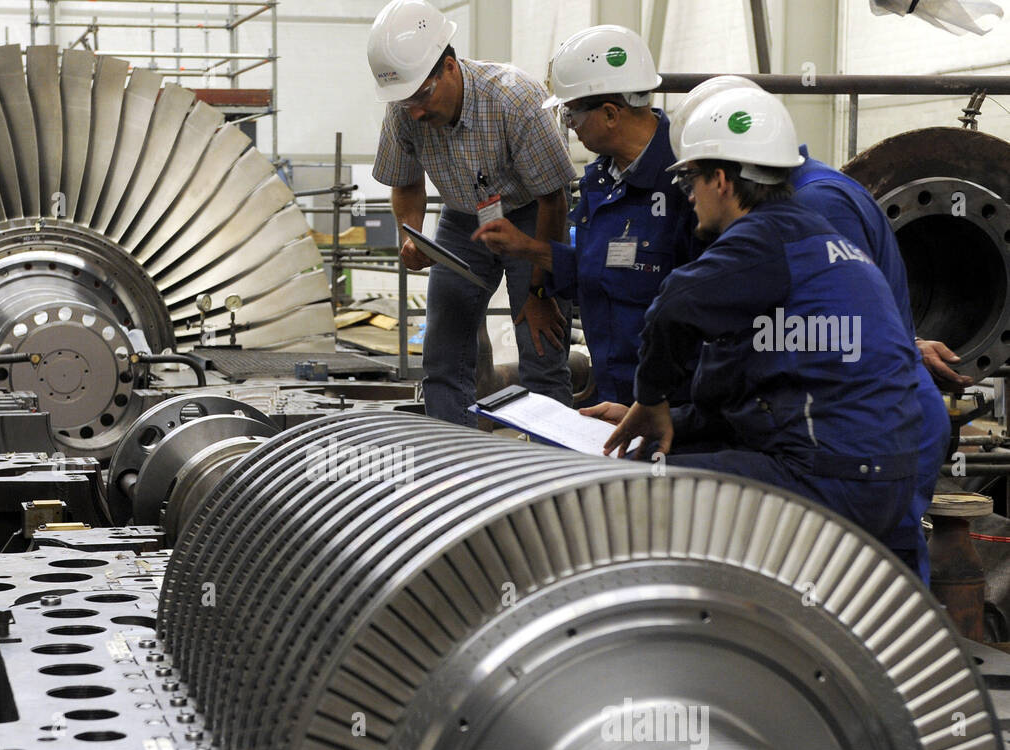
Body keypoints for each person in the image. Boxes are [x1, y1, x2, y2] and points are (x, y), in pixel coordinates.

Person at [604, 86, 927, 561]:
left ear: (720, 180)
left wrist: (650, 399)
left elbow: (673, 304)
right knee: (672, 467)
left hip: (833, 476)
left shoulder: (764, 238)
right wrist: (666, 421)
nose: (688, 196)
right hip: (881, 468)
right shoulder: (813, 234)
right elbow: (742, 396)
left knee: (631, 494)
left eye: (689, 180)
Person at [368, 0, 576, 426]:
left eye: (422, 96)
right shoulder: (405, 109)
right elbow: (406, 183)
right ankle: (455, 471)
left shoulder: (515, 99)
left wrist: (539, 293)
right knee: (442, 355)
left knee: (542, 349)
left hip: (529, 216)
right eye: (406, 102)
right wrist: (410, 235)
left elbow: (554, 201)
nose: (417, 111)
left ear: (449, 65)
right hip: (463, 218)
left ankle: (556, 474)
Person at [474, 25, 697, 407]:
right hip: (614, 391)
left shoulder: (688, 180)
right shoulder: (598, 180)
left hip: (671, 403)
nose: (570, 125)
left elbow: (704, 302)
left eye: (571, 112)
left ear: (610, 113)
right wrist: (528, 249)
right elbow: (593, 270)